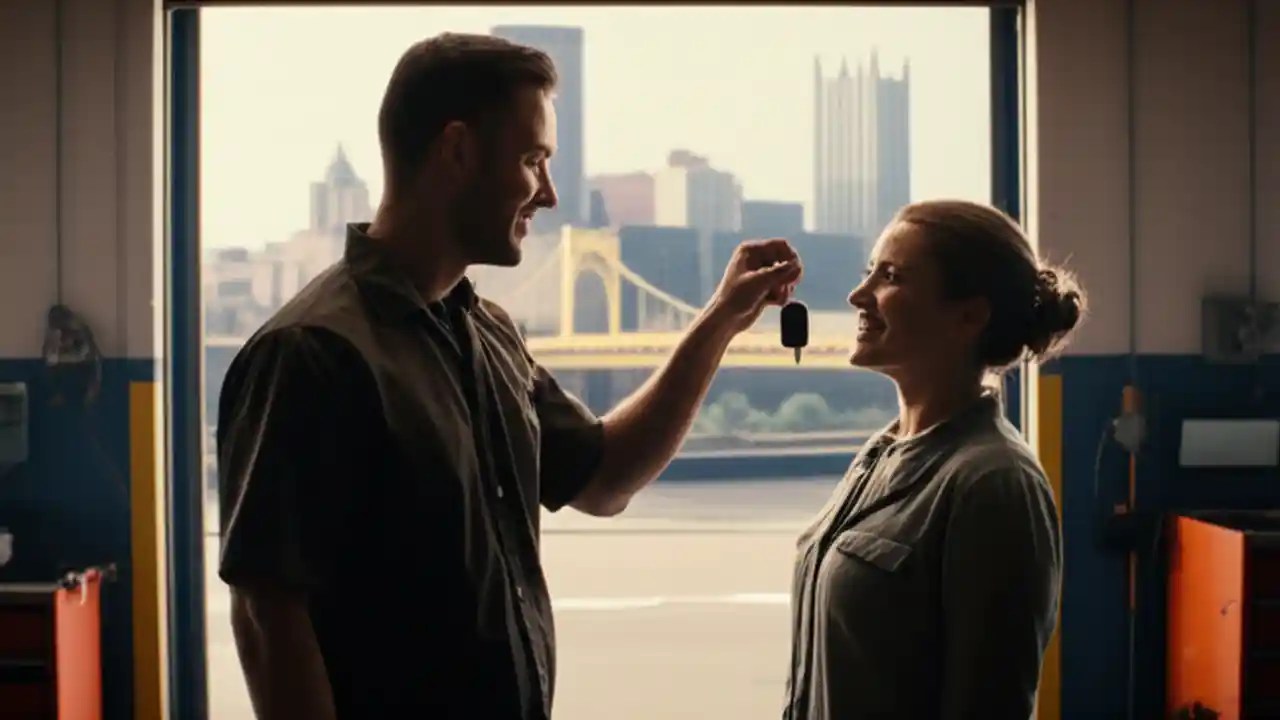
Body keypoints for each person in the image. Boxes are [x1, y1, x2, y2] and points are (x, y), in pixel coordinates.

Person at [215, 32, 802, 720]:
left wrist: (721, 320)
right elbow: (267, 617)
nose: (548, 194)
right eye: (533, 160)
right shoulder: (311, 352)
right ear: (457, 151)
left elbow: (605, 478)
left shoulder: (488, 332)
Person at [783, 199, 1085, 720]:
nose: (859, 295)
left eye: (891, 276)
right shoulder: (878, 456)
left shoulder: (993, 483)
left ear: (969, 316)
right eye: (867, 273)